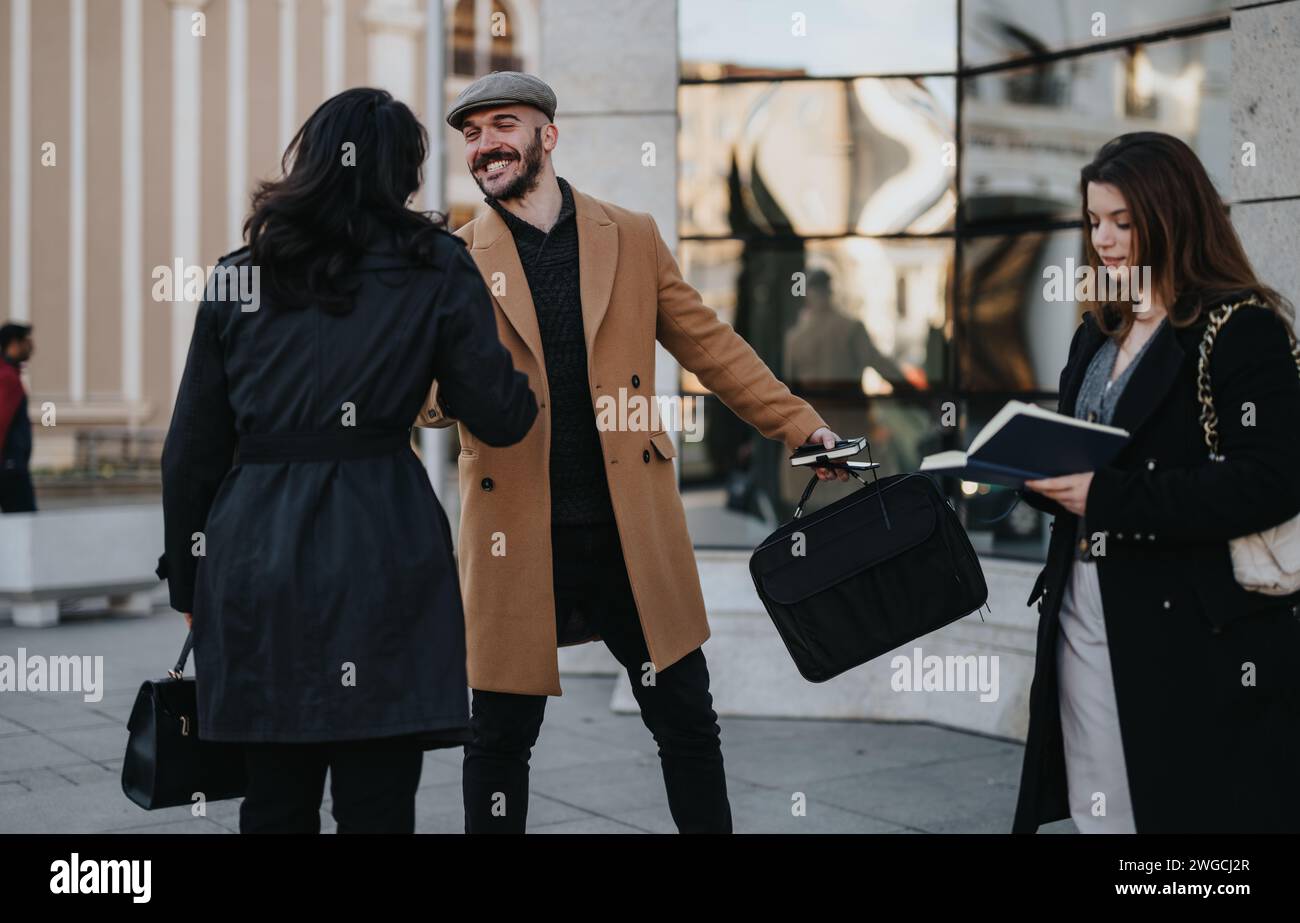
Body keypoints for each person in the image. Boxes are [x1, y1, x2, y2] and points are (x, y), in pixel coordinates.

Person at [419, 71, 845, 834]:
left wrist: (798, 425)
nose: (486, 146)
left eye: (502, 126)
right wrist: (460, 381)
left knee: (685, 718)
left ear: (548, 135)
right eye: (472, 134)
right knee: (498, 739)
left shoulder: (632, 235)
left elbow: (713, 347)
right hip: (517, 531)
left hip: (630, 530)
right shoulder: (453, 258)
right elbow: (423, 396)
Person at [157, 87, 537, 834]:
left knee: (272, 802)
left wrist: (189, 578)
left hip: (255, 554)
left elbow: (190, 450)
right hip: (383, 544)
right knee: (378, 804)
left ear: (310, 161)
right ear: (404, 174)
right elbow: (499, 413)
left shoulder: (239, 273)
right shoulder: (437, 266)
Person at [1016, 132, 1300, 833]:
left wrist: (1108, 499)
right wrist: (1030, 475)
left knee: (1183, 814)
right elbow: (1083, 456)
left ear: (1172, 213)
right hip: (1083, 613)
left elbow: (1271, 480)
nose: (1104, 240)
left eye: (1123, 220)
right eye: (1094, 221)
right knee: (1100, 806)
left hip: (1192, 632)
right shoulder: (1098, 331)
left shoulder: (1239, 328)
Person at [0, 322, 36, 513]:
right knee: (23, 526)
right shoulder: (7, 378)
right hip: (11, 469)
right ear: (14, 344)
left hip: (11, 466)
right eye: (25, 341)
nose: (30, 345)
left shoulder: (9, 374)